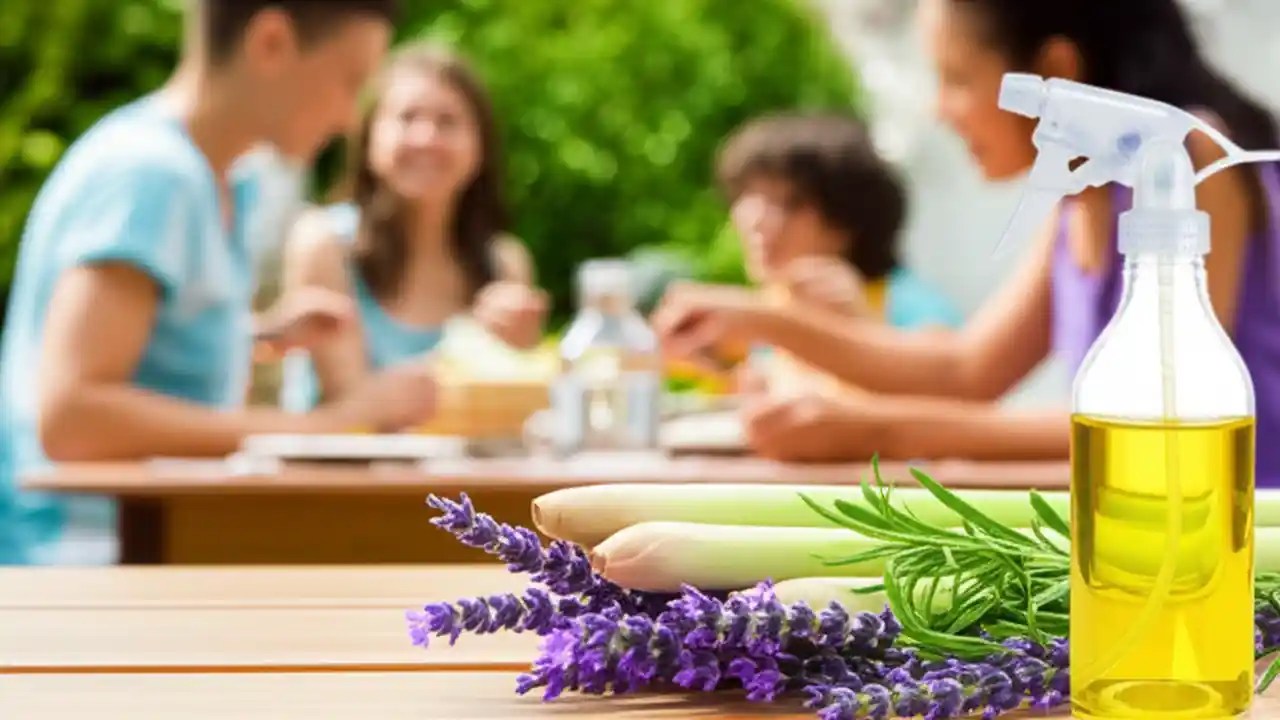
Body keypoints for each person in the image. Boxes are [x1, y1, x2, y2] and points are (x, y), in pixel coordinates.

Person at [655, 0, 1280, 481]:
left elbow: (1157, 424)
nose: (939, 110)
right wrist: (763, 320)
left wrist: (880, 431)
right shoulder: (1080, 193)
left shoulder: (1181, 164)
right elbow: (966, 369)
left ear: (1056, 70)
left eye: (956, 78)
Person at [0, 0, 440, 564]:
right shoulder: (150, 175)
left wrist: (254, 337)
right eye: (350, 82)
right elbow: (72, 417)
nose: (350, 118)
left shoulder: (229, 180)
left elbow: (138, 352)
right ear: (272, 44)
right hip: (81, 563)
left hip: (152, 546)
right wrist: (318, 427)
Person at [279, 43, 547, 412]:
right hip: (340, 469)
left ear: (480, 146)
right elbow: (355, 406)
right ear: (369, 137)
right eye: (407, 118)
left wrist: (519, 358)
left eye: (447, 122)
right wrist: (471, 348)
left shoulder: (504, 262)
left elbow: (510, 411)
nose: (425, 139)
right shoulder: (323, 242)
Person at [686, 113, 960, 396]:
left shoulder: (907, 302)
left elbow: (954, 388)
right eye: (748, 197)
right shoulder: (776, 305)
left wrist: (863, 329)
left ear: (847, 219)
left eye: (788, 203)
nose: (756, 219)